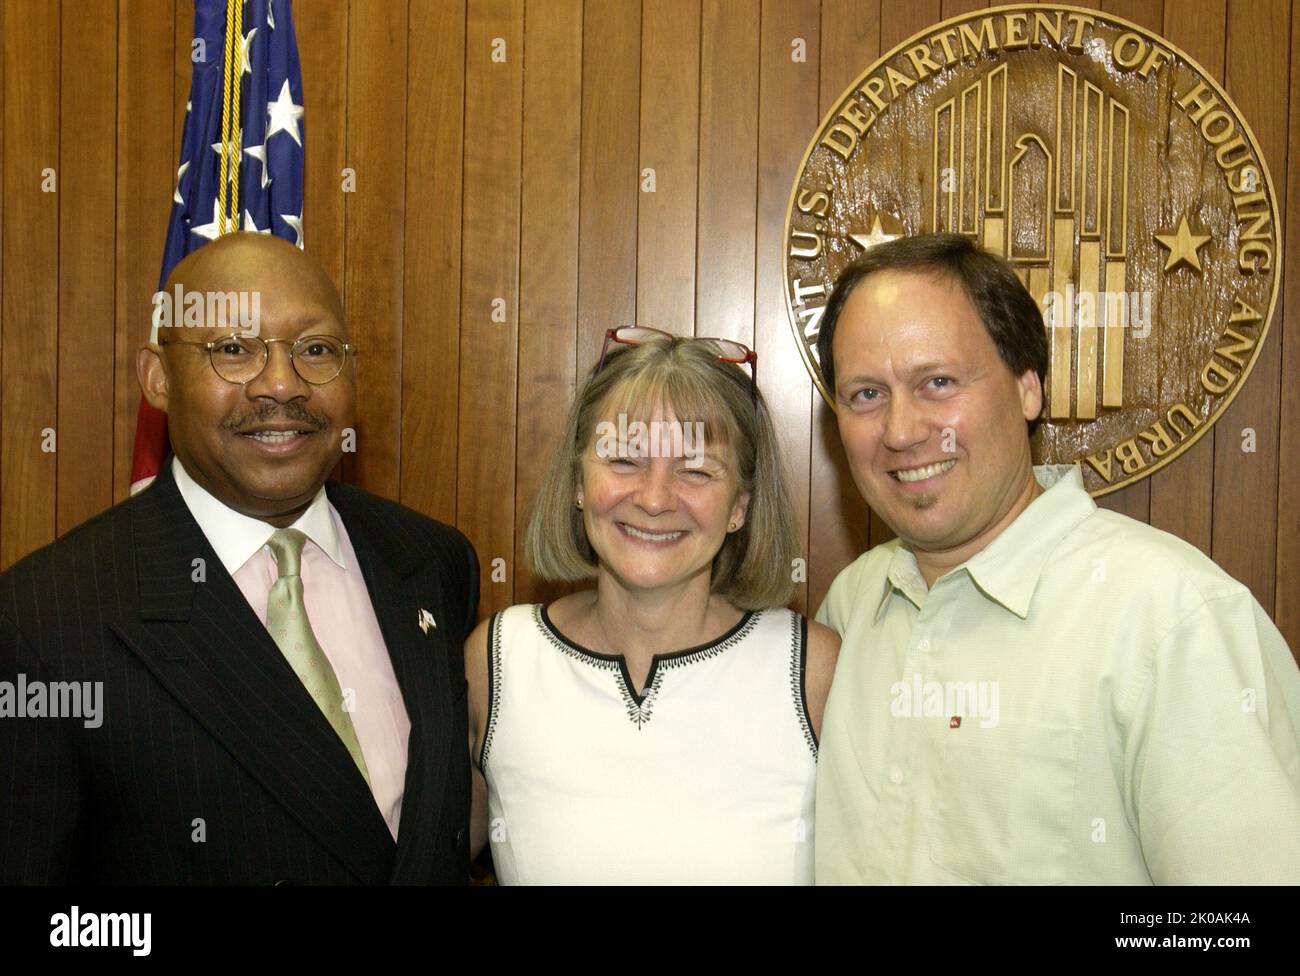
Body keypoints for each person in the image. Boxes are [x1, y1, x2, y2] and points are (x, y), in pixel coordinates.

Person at [811, 232, 1300, 884]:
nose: (901, 431)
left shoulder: (1173, 620)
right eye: (866, 394)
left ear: (1028, 390)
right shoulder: (852, 603)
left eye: (938, 382)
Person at [0, 233, 478, 884]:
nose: (281, 385)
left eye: (316, 350)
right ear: (158, 378)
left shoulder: (432, 562)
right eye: (232, 349)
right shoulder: (45, 620)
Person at [466, 326, 838, 884]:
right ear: (577, 481)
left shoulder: (813, 669)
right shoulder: (497, 660)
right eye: (624, 460)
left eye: (695, 470)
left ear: (740, 505)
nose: (655, 499)